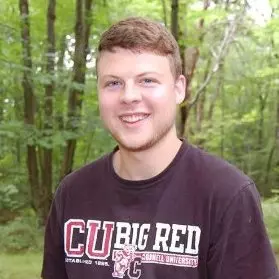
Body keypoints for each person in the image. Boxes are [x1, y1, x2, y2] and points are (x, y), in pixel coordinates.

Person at [41, 17, 279, 279]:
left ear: (179, 89)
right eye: (113, 83)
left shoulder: (226, 195)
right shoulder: (72, 194)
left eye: (147, 81)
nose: (129, 96)